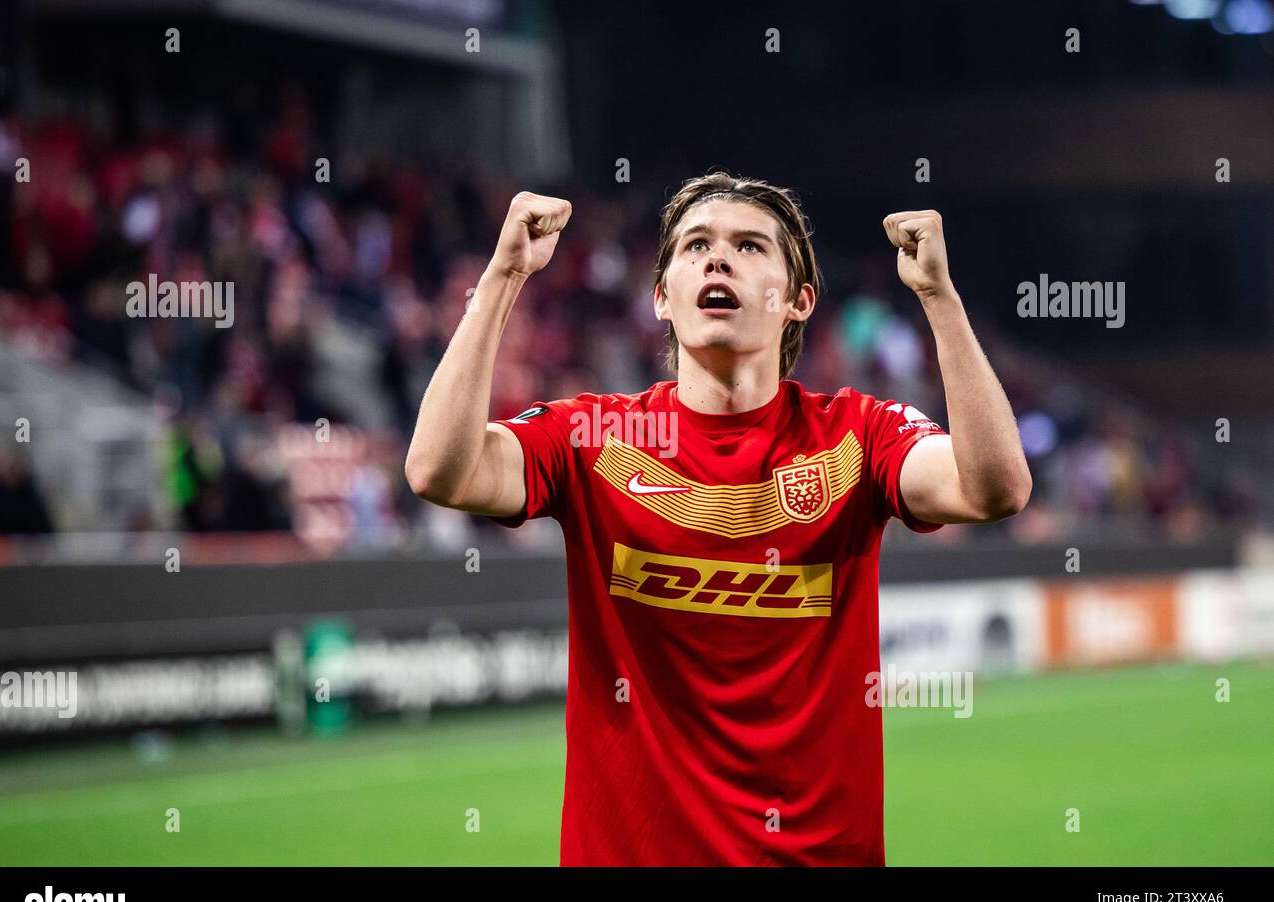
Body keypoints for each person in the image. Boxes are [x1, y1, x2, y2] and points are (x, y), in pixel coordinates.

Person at [405, 172, 1031, 865]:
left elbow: (995, 487)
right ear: (661, 297)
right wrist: (503, 278)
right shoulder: (594, 437)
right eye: (696, 244)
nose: (717, 258)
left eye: (749, 246)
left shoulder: (857, 434)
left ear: (798, 302)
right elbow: (439, 469)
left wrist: (940, 300)